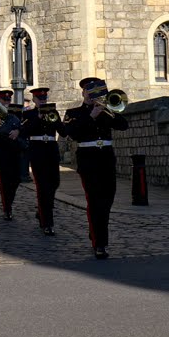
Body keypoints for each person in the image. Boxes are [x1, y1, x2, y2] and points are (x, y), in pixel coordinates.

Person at [61, 77, 128, 259]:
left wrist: (109, 109)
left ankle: (96, 230)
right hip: (88, 159)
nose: (93, 97)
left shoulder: (108, 110)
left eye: (97, 93)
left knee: (107, 200)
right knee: (95, 201)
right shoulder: (74, 112)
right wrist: (91, 116)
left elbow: (124, 125)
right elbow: (71, 133)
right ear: (83, 93)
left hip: (106, 157)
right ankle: (100, 244)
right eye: (90, 93)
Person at [21, 87, 60, 236]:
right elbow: (24, 131)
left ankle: (42, 210)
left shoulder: (53, 112)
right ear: (35, 100)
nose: (43, 100)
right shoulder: (29, 113)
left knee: (55, 183)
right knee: (43, 188)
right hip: (37, 152)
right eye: (40, 99)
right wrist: (38, 117)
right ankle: (47, 223)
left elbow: (62, 131)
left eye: (44, 98)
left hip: (51, 150)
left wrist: (55, 120)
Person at [0, 90, 24, 221]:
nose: (6, 103)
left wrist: (18, 131)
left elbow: (22, 129)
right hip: (1, 152)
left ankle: (9, 201)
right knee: (4, 180)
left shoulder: (13, 117)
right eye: (4, 100)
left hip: (14, 151)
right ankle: (7, 208)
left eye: (8, 100)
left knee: (16, 179)